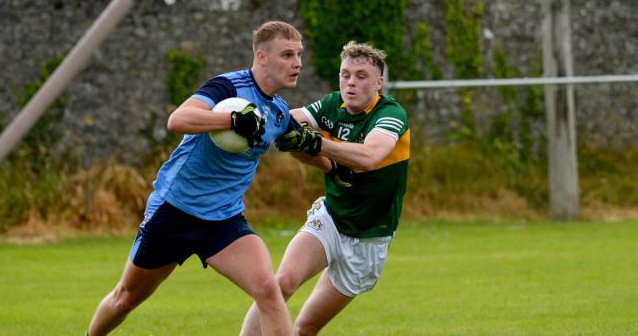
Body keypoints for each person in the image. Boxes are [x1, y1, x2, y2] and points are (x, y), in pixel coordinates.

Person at [85, 21, 307, 336]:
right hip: (175, 211)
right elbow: (178, 119)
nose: (297, 63)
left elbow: (305, 148)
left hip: (224, 220)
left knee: (268, 289)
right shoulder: (227, 87)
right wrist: (230, 119)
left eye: (299, 55)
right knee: (126, 298)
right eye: (287, 54)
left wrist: (334, 166)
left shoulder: (280, 113)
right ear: (261, 56)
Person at [239, 41, 410, 335]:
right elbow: (288, 121)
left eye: (360, 76)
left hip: (370, 237)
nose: (350, 82)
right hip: (330, 218)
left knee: (305, 327)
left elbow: (370, 157)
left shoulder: (390, 113)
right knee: (280, 284)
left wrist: (316, 143)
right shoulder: (332, 105)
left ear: (379, 83)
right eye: (345, 74)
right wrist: (255, 121)